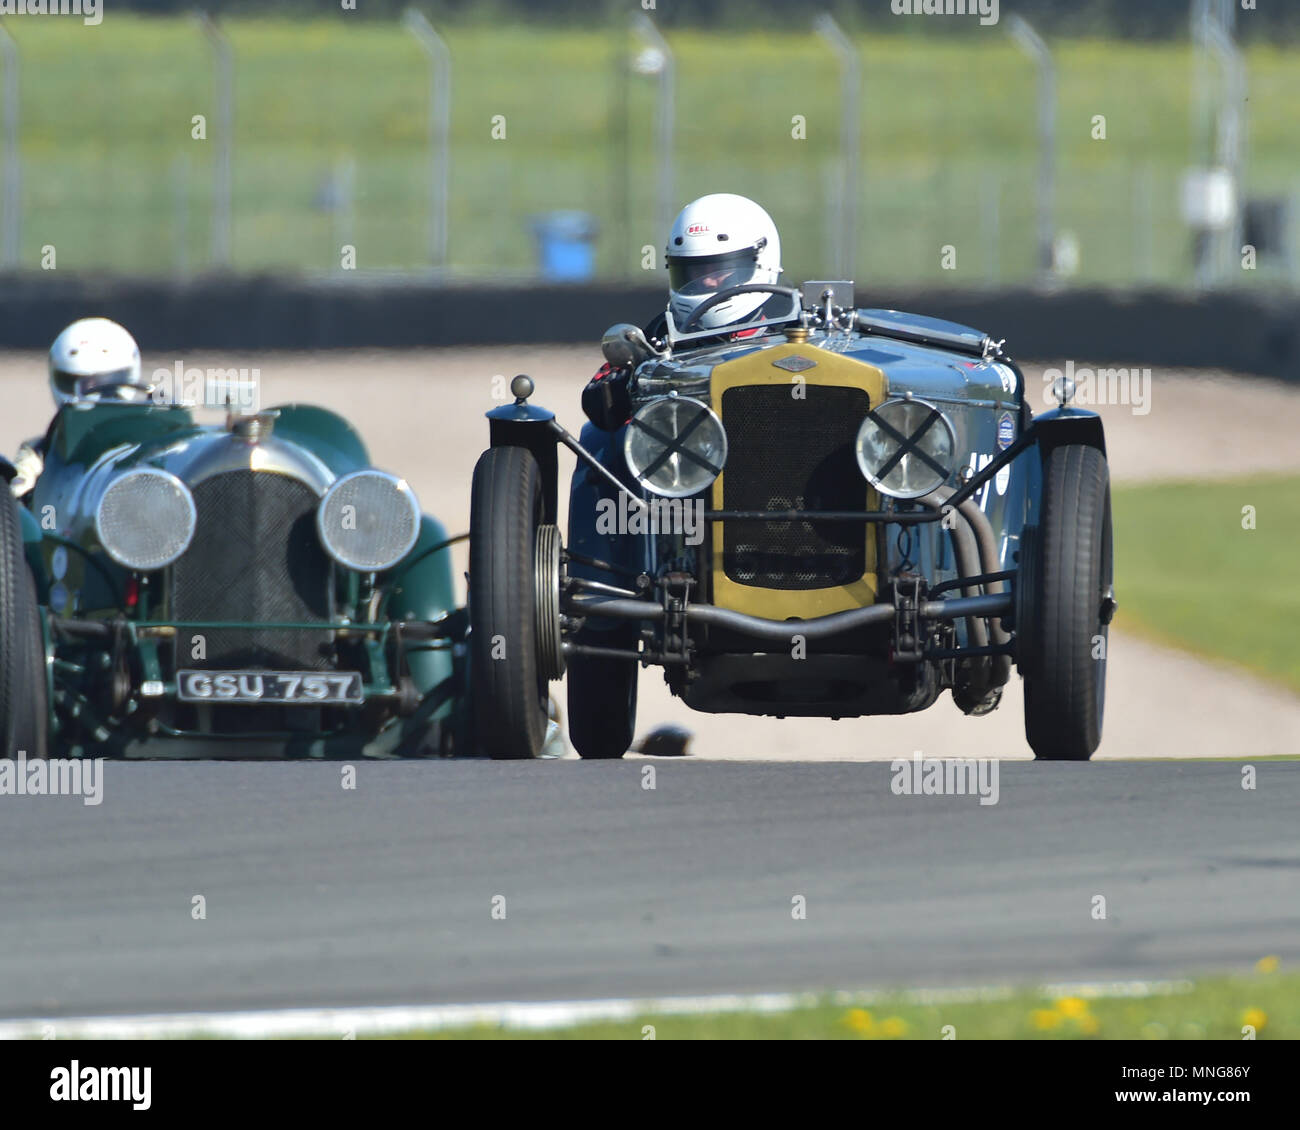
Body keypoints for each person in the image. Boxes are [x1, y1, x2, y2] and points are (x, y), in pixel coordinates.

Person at [582, 193, 784, 432]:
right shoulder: (663, 333)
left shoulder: (797, 329)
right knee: (595, 438)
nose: (708, 282)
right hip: (684, 456)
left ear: (761, 260)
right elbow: (597, 403)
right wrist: (636, 376)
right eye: (696, 271)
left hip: (775, 448)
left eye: (719, 270)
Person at [8, 317, 143, 497]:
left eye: (105, 383)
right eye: (78, 383)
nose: (92, 394)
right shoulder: (41, 452)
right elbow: (18, 503)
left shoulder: (151, 443)